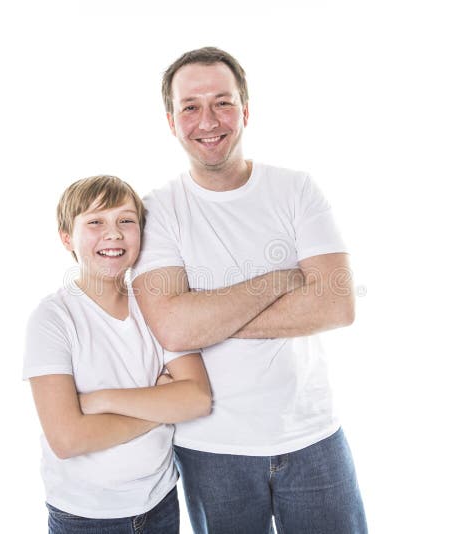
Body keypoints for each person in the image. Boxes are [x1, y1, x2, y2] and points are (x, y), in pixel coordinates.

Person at [130, 47, 368, 533]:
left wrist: (208, 314)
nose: (208, 120)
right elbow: (174, 328)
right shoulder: (159, 209)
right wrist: (284, 280)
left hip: (313, 436)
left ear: (245, 110)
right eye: (190, 106)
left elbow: (338, 304)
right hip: (214, 448)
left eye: (222, 102)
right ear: (171, 121)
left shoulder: (296, 189)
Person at [23, 175, 212, 533]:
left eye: (126, 221)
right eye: (95, 222)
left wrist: (102, 400)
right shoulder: (52, 319)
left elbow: (197, 399)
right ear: (67, 238)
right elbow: (67, 439)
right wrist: (159, 408)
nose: (113, 233)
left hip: (159, 504)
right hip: (86, 516)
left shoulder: (156, 306)